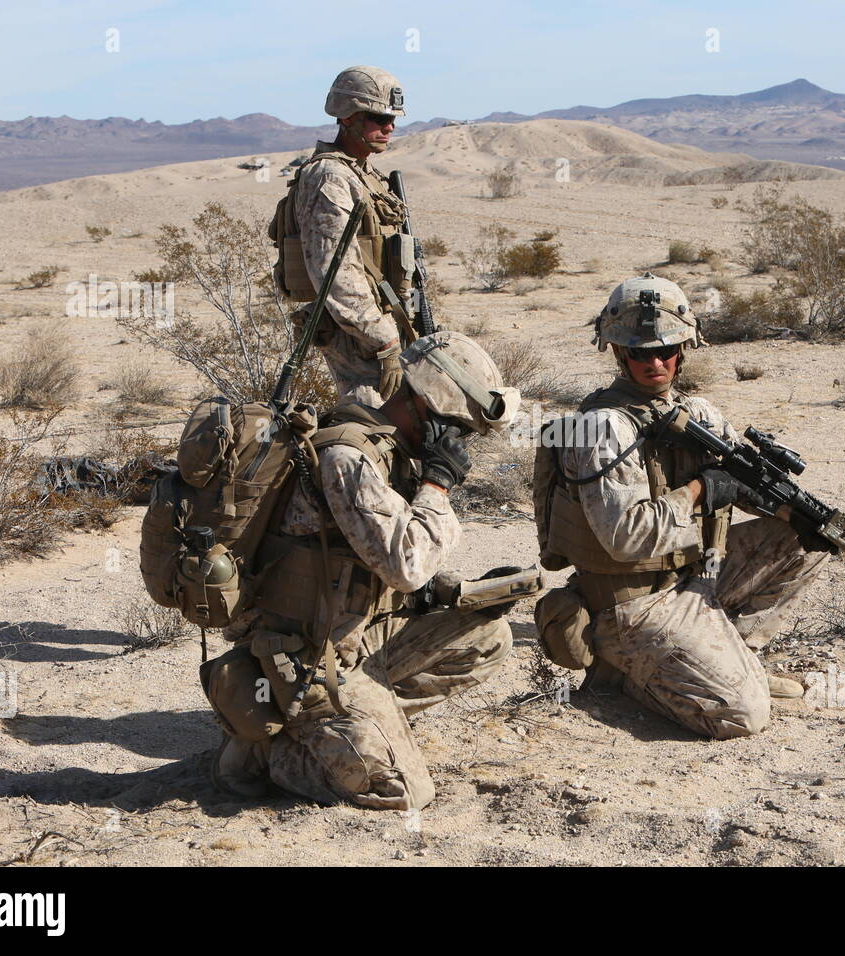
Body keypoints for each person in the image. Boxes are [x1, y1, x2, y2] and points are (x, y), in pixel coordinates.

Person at [209, 331, 521, 809]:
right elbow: (406, 565)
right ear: (423, 406)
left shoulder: (389, 450)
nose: (460, 444)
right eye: (456, 429)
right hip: (304, 656)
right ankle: (268, 750)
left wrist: (466, 592)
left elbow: (372, 569)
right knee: (406, 793)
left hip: (355, 635)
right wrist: (438, 486)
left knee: (488, 637)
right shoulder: (348, 458)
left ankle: (356, 726)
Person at [534, 274, 841, 740]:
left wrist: (782, 507)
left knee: (811, 537)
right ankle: (625, 676)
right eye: (639, 352)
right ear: (618, 352)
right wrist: (702, 488)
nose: (654, 362)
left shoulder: (697, 414)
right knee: (742, 716)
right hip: (633, 604)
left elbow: (745, 484)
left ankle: (733, 654)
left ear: (684, 350)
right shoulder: (601, 429)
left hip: (696, 578)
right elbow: (627, 538)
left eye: (666, 350)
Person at [294, 65, 416, 405]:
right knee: (373, 426)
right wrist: (382, 337)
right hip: (360, 334)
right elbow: (333, 270)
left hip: (386, 321)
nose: (389, 127)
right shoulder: (330, 177)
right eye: (377, 118)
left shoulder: (363, 172)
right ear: (348, 118)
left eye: (392, 120)